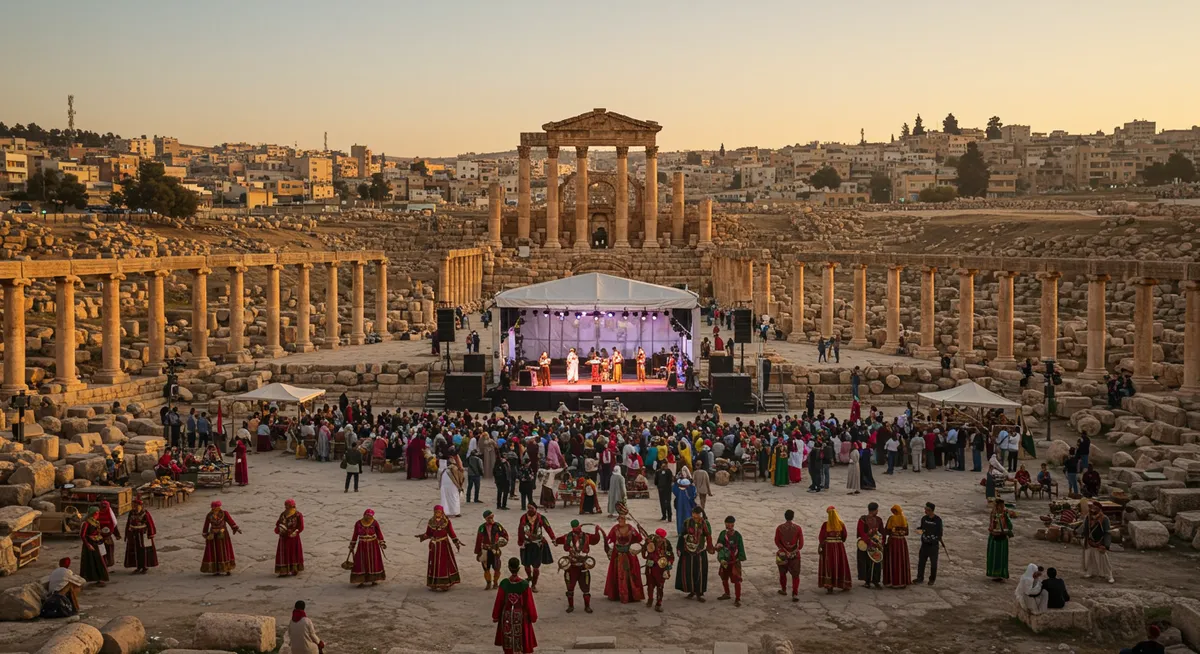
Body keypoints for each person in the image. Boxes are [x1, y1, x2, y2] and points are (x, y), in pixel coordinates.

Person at [493, 557, 538, 654]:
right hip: (521, 616)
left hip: (507, 615)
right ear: (518, 568)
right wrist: (533, 616)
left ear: (509, 568)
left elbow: (499, 601)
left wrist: (495, 616)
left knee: (508, 640)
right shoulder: (524, 584)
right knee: (521, 640)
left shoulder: (504, 583)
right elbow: (529, 603)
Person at [555, 520, 602, 613]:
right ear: (573, 528)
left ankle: (587, 606)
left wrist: (597, 531)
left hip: (583, 566)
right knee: (570, 587)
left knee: (586, 588)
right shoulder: (567, 537)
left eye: (578, 527)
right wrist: (555, 541)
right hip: (572, 566)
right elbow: (558, 541)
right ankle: (571, 606)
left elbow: (596, 540)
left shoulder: (587, 536)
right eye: (575, 528)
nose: (577, 529)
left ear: (580, 527)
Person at [418, 505, 463, 591]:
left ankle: (444, 583)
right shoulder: (431, 522)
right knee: (434, 563)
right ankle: (433, 583)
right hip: (434, 546)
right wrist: (423, 536)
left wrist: (456, 541)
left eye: (439, 512)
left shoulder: (446, 522)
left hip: (444, 545)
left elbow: (451, 532)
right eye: (436, 512)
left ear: (442, 512)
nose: (437, 513)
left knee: (443, 564)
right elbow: (428, 533)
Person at [604, 512, 645, 604]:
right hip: (617, 554)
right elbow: (609, 538)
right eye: (619, 519)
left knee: (630, 573)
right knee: (618, 573)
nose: (620, 520)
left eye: (622, 519)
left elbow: (639, 539)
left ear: (626, 520)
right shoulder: (615, 528)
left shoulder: (631, 529)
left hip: (629, 554)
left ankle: (631, 595)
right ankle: (618, 594)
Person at [675, 505, 713, 602]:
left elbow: (708, 535)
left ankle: (699, 592)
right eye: (693, 514)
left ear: (700, 514)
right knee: (689, 571)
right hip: (688, 551)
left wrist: (710, 547)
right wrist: (679, 548)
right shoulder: (687, 522)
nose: (695, 516)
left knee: (699, 572)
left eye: (697, 514)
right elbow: (682, 535)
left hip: (700, 551)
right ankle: (691, 590)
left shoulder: (705, 523)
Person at [517, 504, 556, 592]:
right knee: (526, 564)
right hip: (526, 544)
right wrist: (520, 541)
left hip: (537, 545)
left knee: (536, 566)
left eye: (532, 508)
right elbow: (520, 530)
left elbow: (548, 528)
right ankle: (529, 577)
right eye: (528, 508)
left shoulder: (541, 518)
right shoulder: (523, 517)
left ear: (536, 509)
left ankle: (534, 584)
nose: (529, 509)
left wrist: (553, 538)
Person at [1077, 501, 1115, 583]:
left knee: (1104, 560)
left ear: (1099, 509)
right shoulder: (1088, 517)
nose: (1092, 509)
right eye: (1092, 507)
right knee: (1089, 558)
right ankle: (1089, 572)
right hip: (1089, 541)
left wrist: (1106, 545)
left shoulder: (1104, 519)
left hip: (1099, 542)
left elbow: (1107, 532)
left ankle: (1109, 575)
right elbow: (1084, 527)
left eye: (1095, 508)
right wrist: (1078, 533)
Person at [818, 506, 852, 593]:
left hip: (828, 548)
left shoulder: (825, 525)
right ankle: (843, 584)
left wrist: (822, 544)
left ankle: (830, 586)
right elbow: (844, 536)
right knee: (840, 564)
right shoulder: (841, 524)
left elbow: (821, 537)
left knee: (829, 565)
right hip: (839, 547)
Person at [201, 501, 240, 576]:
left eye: (217, 507)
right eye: (214, 507)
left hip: (223, 534)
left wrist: (235, 527)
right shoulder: (209, 515)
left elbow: (230, 521)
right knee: (215, 551)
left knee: (224, 551)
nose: (215, 509)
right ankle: (216, 570)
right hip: (213, 535)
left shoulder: (224, 513)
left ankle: (227, 569)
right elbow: (206, 525)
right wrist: (205, 534)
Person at [349, 509, 386, 587]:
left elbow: (379, 533)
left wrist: (382, 542)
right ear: (364, 514)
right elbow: (355, 534)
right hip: (362, 545)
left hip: (373, 545)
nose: (368, 517)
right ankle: (361, 580)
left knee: (374, 561)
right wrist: (352, 544)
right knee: (361, 561)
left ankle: (373, 580)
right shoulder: (358, 523)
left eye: (370, 515)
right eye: (367, 515)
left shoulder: (375, 523)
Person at [715, 516, 746, 607]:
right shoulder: (722, 534)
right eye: (727, 523)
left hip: (735, 561)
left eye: (730, 524)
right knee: (724, 577)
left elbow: (741, 547)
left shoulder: (737, 535)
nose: (729, 525)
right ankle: (727, 593)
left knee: (737, 580)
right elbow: (719, 544)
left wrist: (739, 558)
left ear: (733, 524)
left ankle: (737, 598)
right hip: (725, 561)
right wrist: (718, 547)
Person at [642, 527, 674, 612]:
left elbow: (671, 556)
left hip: (661, 568)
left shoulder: (667, 544)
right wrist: (646, 547)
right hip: (650, 566)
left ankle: (658, 603)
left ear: (663, 538)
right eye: (657, 536)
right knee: (650, 585)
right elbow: (644, 550)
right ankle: (650, 599)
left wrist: (668, 566)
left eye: (659, 537)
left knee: (660, 586)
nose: (658, 539)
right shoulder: (650, 540)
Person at [475, 510, 509, 590]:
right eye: (489, 518)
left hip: (495, 549)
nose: (490, 519)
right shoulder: (482, 527)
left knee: (497, 567)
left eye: (491, 517)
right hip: (485, 550)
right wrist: (478, 551)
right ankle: (488, 582)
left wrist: (504, 541)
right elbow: (478, 539)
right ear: (485, 518)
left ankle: (495, 582)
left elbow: (504, 534)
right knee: (486, 567)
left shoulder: (497, 525)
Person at [774, 510, 804, 601]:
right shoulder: (798, 528)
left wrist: (784, 550)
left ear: (785, 516)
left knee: (782, 574)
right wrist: (793, 551)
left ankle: (783, 589)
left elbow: (777, 541)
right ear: (793, 517)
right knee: (795, 575)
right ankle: (795, 593)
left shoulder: (779, 528)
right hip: (794, 555)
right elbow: (801, 545)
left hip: (783, 554)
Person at [79, 507, 110, 586]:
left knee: (100, 560)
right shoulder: (86, 523)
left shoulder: (96, 522)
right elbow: (82, 535)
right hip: (91, 544)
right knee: (94, 561)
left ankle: (100, 578)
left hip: (98, 542)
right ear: (95, 513)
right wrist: (88, 545)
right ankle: (98, 579)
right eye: (98, 512)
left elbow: (97, 532)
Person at [856, 503, 884, 589]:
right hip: (867, 544)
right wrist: (871, 542)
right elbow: (862, 532)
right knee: (867, 562)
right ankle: (869, 581)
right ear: (875, 510)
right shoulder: (864, 519)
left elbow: (882, 532)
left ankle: (872, 581)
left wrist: (880, 542)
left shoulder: (876, 520)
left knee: (875, 562)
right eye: (877, 510)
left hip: (874, 543)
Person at [883, 505, 911, 589]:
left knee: (893, 560)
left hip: (893, 542)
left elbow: (886, 531)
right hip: (902, 542)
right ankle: (902, 581)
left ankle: (892, 581)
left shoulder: (891, 518)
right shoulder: (904, 519)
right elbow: (907, 533)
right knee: (901, 560)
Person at [274, 499, 304, 577]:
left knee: (293, 553)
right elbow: (278, 523)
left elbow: (301, 526)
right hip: (284, 537)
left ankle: (294, 569)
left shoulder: (298, 515)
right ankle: (283, 570)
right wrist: (279, 529)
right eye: (285, 506)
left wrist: (296, 532)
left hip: (293, 538)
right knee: (284, 553)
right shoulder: (283, 514)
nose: (286, 507)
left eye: (288, 506)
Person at [915, 502, 942, 585]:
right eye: (925, 509)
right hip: (924, 545)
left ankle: (932, 579)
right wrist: (919, 531)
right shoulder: (924, 518)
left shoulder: (938, 520)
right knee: (921, 562)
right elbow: (922, 529)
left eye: (927, 510)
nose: (925, 511)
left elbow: (939, 533)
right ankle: (920, 578)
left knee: (933, 564)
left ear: (931, 510)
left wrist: (933, 539)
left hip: (933, 546)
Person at [987, 498, 1014, 581]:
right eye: (1001, 506)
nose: (1002, 507)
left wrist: (1007, 517)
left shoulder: (1005, 514)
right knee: (995, 556)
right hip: (995, 539)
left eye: (1003, 506)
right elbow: (992, 527)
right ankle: (994, 574)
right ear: (997, 506)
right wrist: (995, 532)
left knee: (1002, 557)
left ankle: (1001, 573)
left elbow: (1010, 526)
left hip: (1003, 538)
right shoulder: (993, 514)